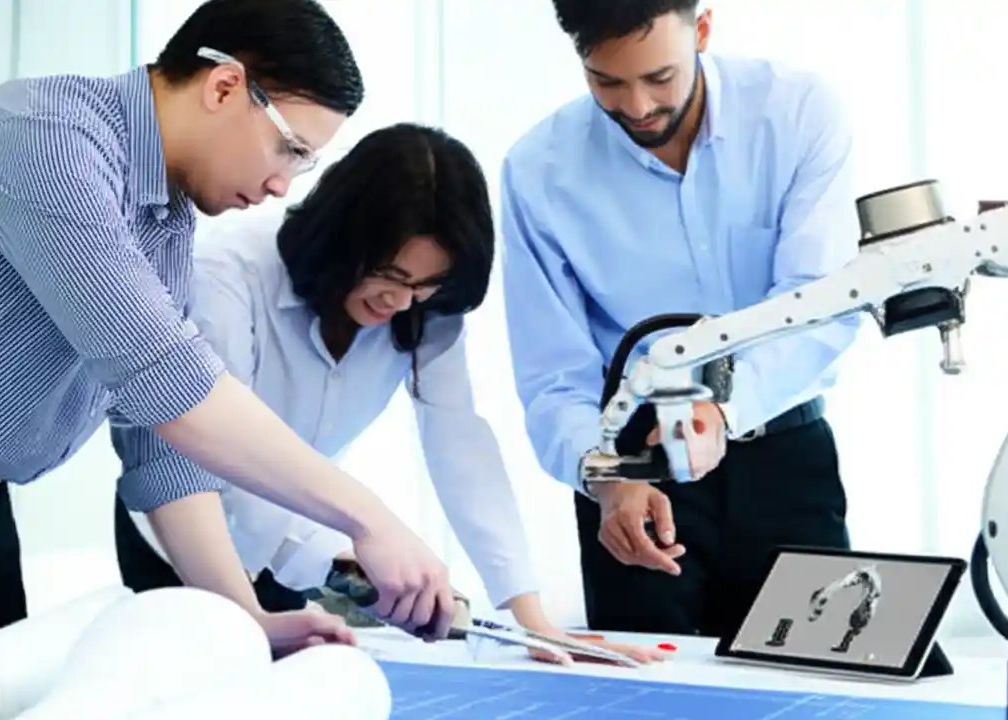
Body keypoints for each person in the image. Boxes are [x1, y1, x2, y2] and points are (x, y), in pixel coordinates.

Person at [0, 0, 457, 698]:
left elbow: (160, 449)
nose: (282, 186)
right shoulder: (45, 141)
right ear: (224, 88)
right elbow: (172, 390)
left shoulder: (165, 224)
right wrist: (371, 520)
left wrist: (246, 614)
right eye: (291, 150)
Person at [112, 122, 666, 665]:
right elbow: (212, 451)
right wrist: (343, 552)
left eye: (424, 286)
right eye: (388, 275)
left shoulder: (427, 311)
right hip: (184, 526)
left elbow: (459, 445)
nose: (400, 303)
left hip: (300, 529)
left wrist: (531, 619)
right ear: (341, 237)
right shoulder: (227, 271)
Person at [500, 0, 862, 638]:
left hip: (784, 454)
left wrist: (723, 409)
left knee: (813, 682)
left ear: (701, 30)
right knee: (646, 694)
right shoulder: (538, 172)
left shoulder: (797, 112)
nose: (637, 107)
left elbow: (821, 303)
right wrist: (607, 480)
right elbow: (555, 371)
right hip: (633, 468)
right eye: (606, 81)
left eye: (659, 77)